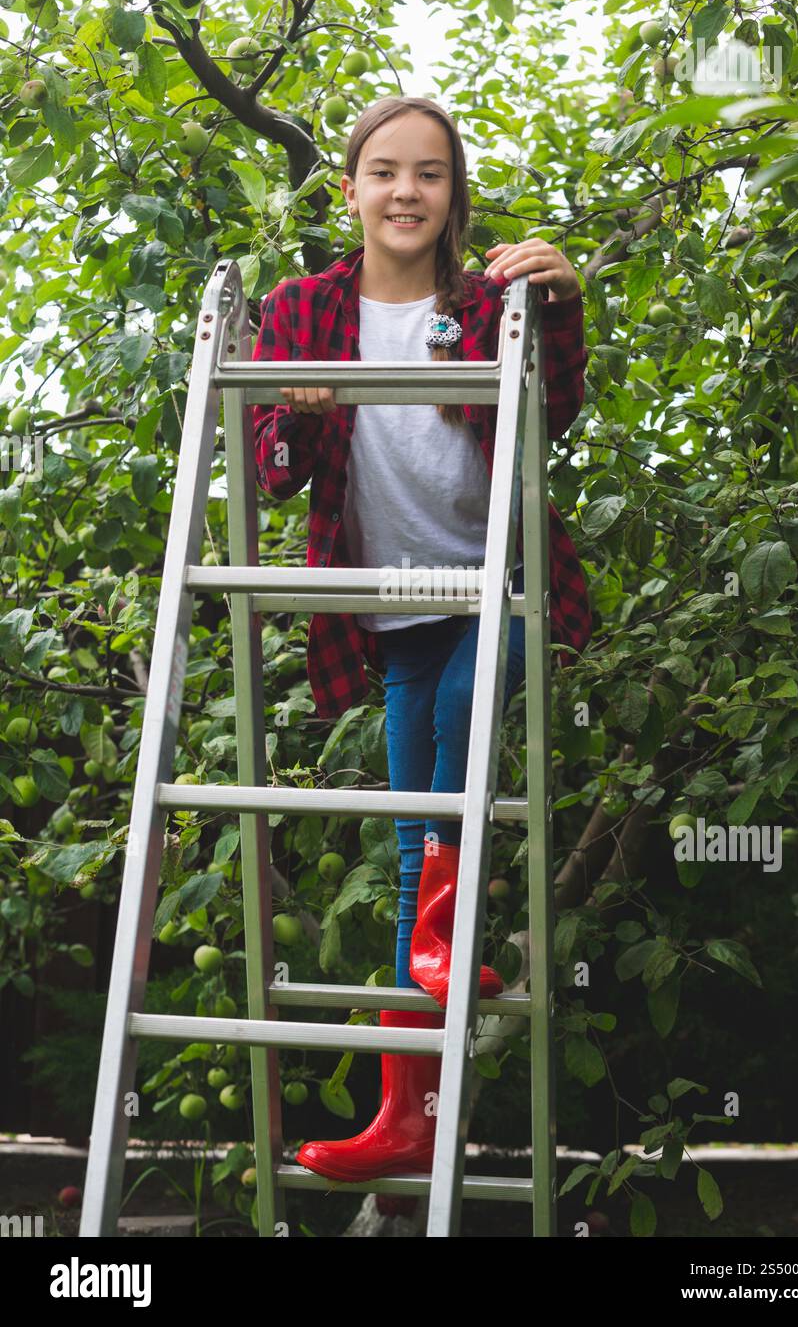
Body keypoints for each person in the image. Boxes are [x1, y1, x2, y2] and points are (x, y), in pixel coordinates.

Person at [250, 95, 590, 1188]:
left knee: (457, 722)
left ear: (453, 196)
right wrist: (292, 411)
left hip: (493, 583)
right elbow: (272, 467)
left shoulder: (489, 300)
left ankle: (439, 967)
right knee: (413, 845)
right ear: (347, 188)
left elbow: (559, 409)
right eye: (384, 171)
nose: (405, 191)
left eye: (429, 174)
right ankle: (409, 1110)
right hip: (389, 611)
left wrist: (563, 305)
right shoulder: (301, 308)